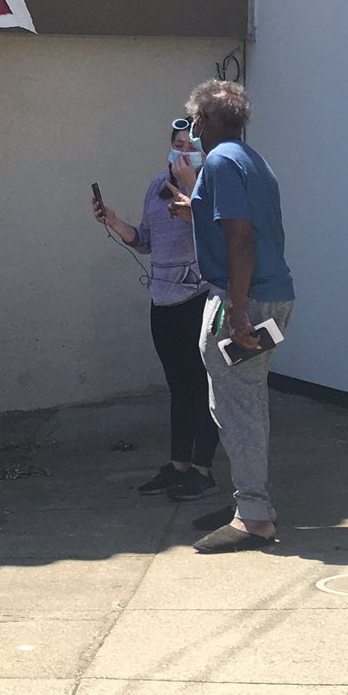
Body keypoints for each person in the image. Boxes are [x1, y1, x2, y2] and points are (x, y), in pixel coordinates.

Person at [169, 79, 295, 553]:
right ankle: (253, 504)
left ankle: (254, 517)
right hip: (275, 298)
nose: (194, 128)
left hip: (243, 301)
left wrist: (236, 313)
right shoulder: (251, 158)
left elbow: (242, 240)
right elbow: (240, 227)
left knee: (235, 408)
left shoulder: (219, 161)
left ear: (203, 120)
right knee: (250, 403)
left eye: (195, 120)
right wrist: (194, 211)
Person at [94, 119, 216, 500]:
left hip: (196, 297)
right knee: (178, 386)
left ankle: (202, 469)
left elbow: (221, 230)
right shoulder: (155, 186)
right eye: (177, 144)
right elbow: (145, 240)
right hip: (162, 300)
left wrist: (193, 196)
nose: (182, 152)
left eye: (190, 146)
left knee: (202, 385)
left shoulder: (210, 185)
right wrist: (114, 222)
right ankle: (177, 464)